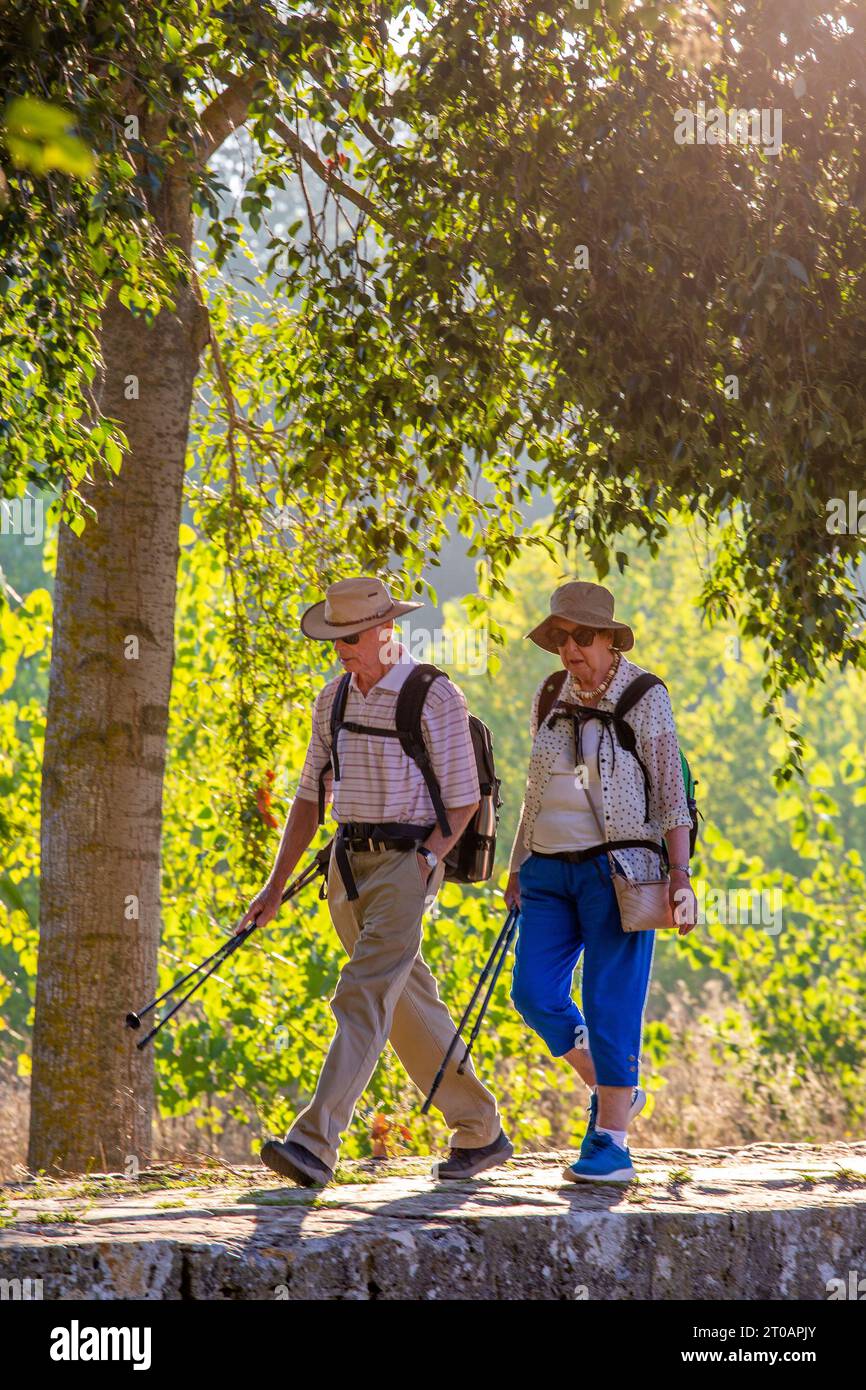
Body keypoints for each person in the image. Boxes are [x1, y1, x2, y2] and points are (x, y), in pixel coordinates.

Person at [241, 575, 512, 1187]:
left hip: (406, 864)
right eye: (336, 639)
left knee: (361, 994)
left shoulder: (434, 696)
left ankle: (314, 1144)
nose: (343, 649)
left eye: (353, 637)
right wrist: (273, 886)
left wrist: (427, 860)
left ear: (388, 629)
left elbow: (465, 798)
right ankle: (481, 1128)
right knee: (407, 1003)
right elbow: (309, 798)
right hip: (345, 868)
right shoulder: (332, 699)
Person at [505, 580, 697, 1184]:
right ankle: (612, 1084)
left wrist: (680, 877)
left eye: (582, 637)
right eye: (561, 638)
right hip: (546, 869)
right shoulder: (548, 693)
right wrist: (515, 867)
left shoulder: (644, 695)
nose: (570, 650)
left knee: (610, 1002)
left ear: (610, 640)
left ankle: (611, 1141)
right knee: (533, 992)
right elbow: (534, 789)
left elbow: (671, 792)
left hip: (618, 873)